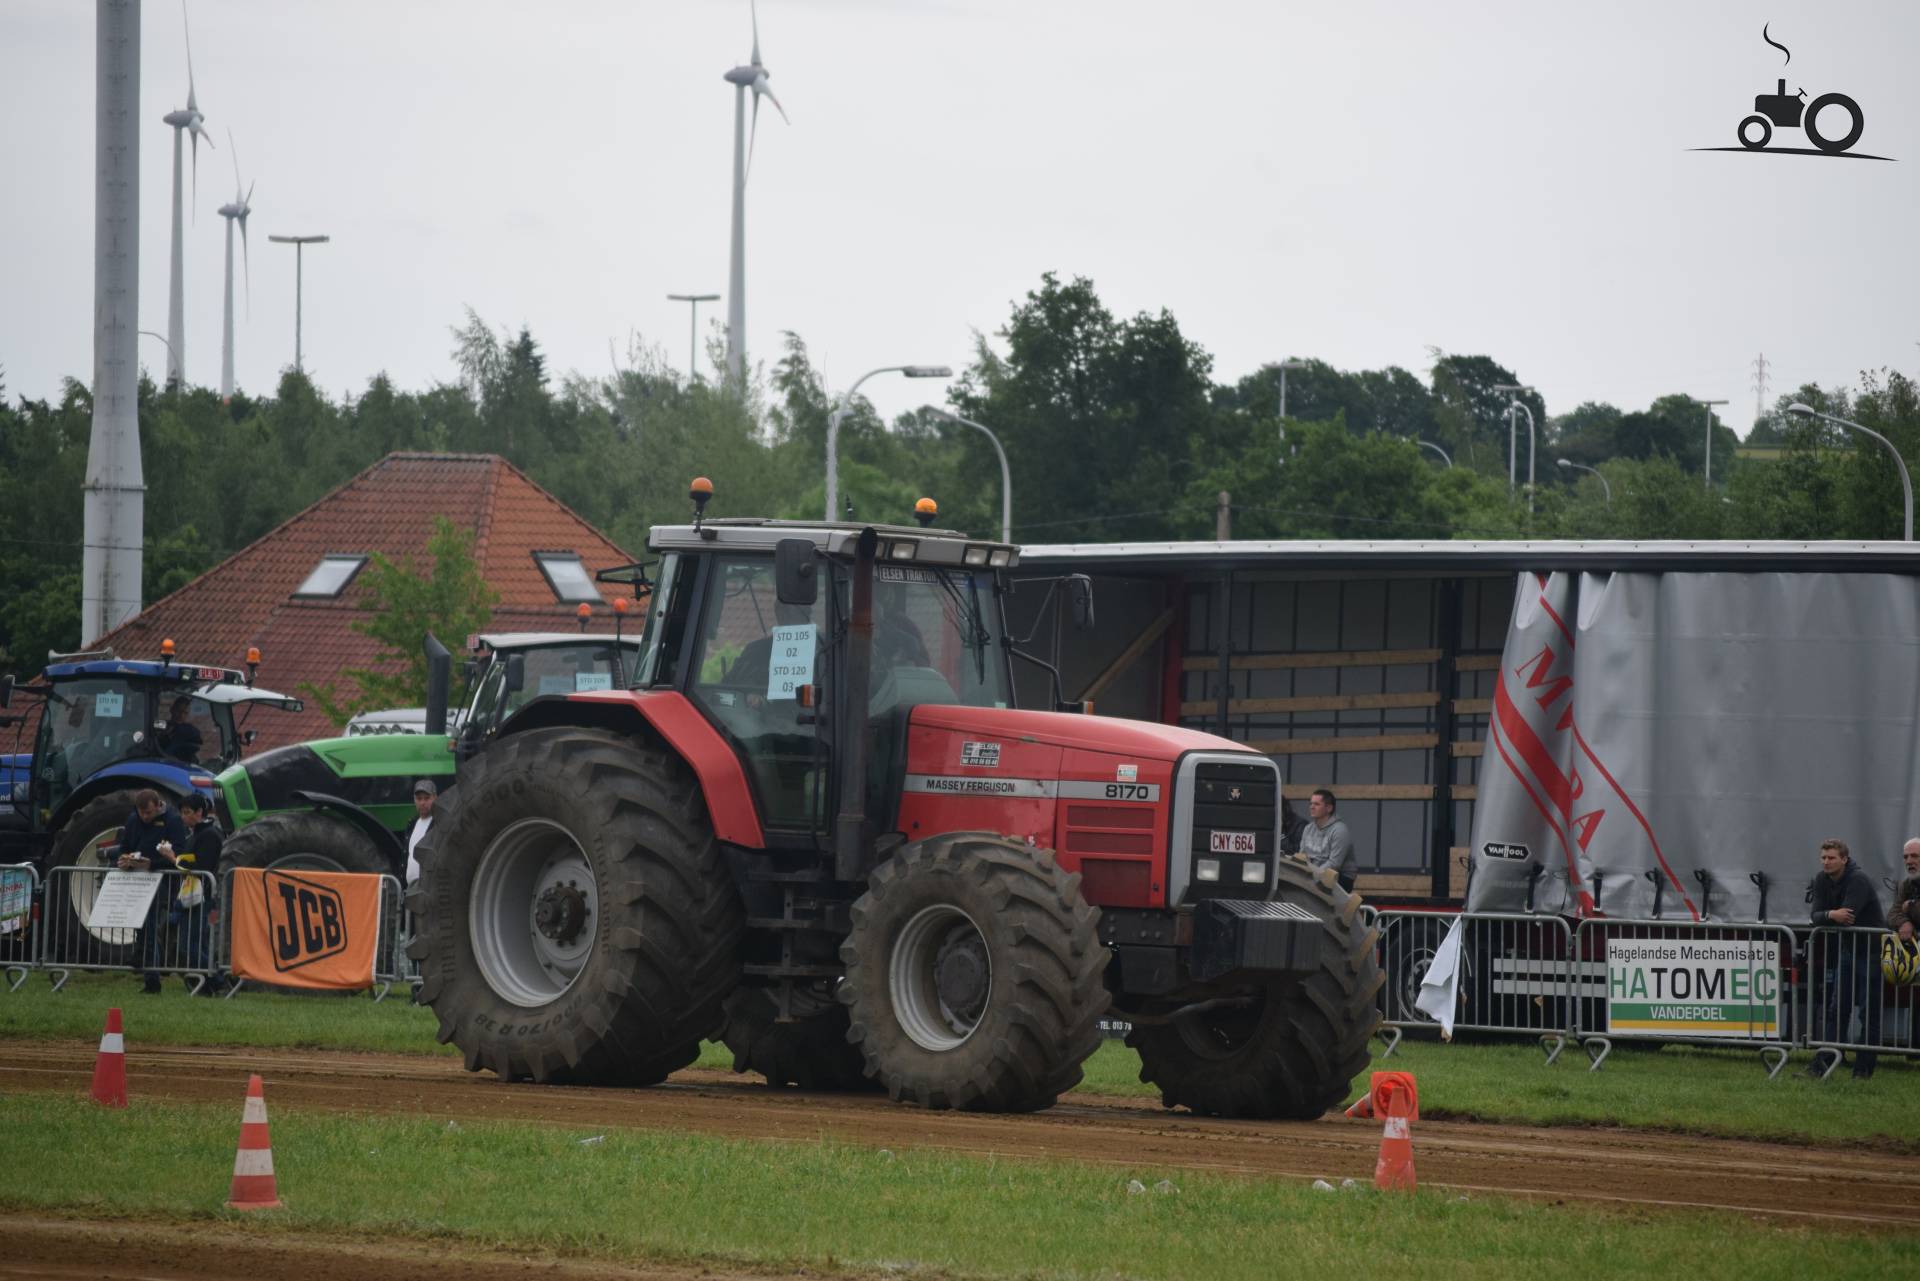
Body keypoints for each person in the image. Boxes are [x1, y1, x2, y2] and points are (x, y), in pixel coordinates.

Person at [1807, 838, 1887, 1079]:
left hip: (1871, 953)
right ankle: (1824, 1063)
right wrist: (1831, 913)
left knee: (1867, 1012)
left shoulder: (1858, 879)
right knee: (1836, 1010)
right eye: (1823, 857)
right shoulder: (1821, 879)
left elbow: (1848, 916)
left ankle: (1863, 1069)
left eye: (1831, 858)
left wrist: (1826, 916)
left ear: (1844, 859)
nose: (1826, 862)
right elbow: (1815, 916)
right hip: (1847, 952)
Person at [115, 789, 189, 994]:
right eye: (141, 813)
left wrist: (152, 864)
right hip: (136, 881)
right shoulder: (133, 820)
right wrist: (123, 859)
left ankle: (151, 976)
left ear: (158, 805)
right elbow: (124, 845)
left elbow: (179, 855)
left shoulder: (172, 821)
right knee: (143, 926)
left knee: (149, 926)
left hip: (161, 881)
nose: (145, 817)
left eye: (148, 813)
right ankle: (148, 969)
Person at [169, 793, 223, 994]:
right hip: (193, 898)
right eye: (182, 813)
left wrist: (173, 858)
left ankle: (217, 978)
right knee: (197, 944)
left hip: (204, 899)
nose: (184, 817)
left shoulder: (209, 835)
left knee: (190, 945)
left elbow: (202, 866)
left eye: (187, 812)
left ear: (200, 812)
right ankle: (207, 983)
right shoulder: (196, 835)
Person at [1297, 788, 1356, 892]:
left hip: (1340, 877)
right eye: (1310, 804)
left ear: (1329, 808)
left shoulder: (1340, 830)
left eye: (1316, 804)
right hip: (1315, 874)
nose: (1311, 807)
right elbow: (1302, 856)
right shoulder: (1308, 828)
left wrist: (1312, 876)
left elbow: (1334, 864)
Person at [403, 780, 437, 888]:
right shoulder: (412, 824)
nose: (422, 803)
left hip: (427, 888)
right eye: (419, 799)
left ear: (435, 798)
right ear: (414, 800)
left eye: (427, 798)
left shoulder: (439, 824)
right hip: (410, 888)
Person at [1888, 838, 1920, 943]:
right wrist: (1904, 922)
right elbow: (1892, 914)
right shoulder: (1907, 884)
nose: (1909, 861)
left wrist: (1909, 905)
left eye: (1914, 856)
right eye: (1905, 857)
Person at [159, 696, 203, 765]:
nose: (181, 715)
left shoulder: (190, 731)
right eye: (179, 711)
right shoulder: (161, 726)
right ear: (172, 710)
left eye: (185, 713)